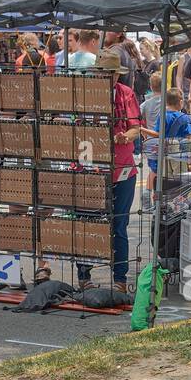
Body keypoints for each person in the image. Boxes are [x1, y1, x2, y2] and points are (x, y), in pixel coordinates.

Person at [71, 49, 143, 293]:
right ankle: (84, 276)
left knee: (119, 225)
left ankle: (120, 279)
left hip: (122, 168)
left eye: (112, 73)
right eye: (103, 73)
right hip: (89, 166)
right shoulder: (83, 93)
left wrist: (125, 137)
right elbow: (75, 128)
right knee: (87, 223)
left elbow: (136, 128)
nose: (108, 77)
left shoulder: (126, 93)